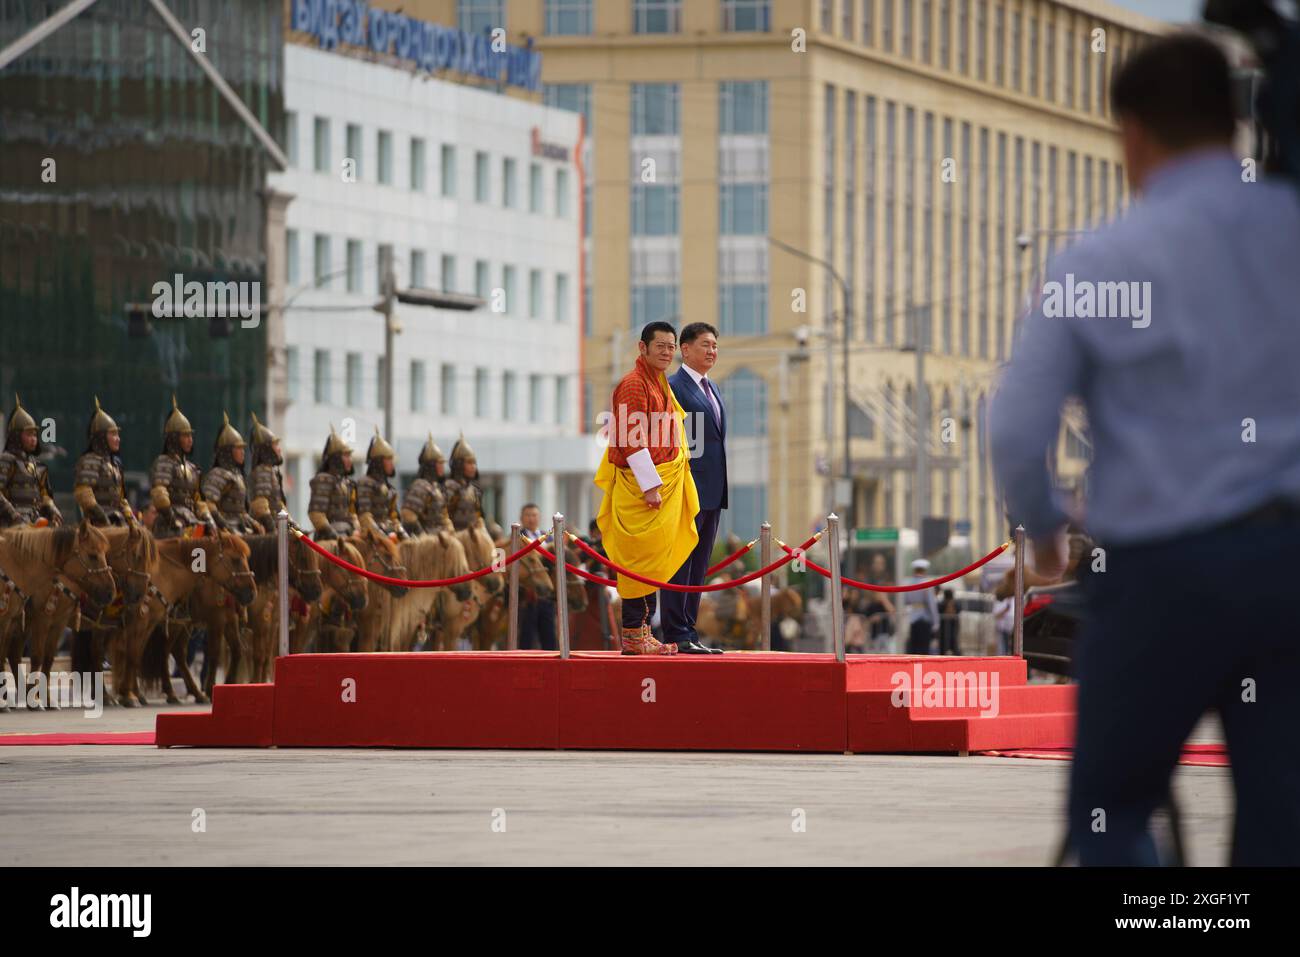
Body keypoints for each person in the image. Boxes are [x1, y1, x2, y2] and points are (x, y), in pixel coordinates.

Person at [990, 34, 1300, 865]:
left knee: (1116, 808)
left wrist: (1048, 534)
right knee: (1282, 810)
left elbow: (1017, 424)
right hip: (1288, 567)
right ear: (1235, 119)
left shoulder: (1102, 258)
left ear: (1130, 131)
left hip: (1160, 572)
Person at [594, 321, 700, 655]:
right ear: (643, 348)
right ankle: (633, 636)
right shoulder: (632, 384)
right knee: (638, 561)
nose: (667, 352)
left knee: (652, 562)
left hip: (662, 482)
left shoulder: (660, 383)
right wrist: (651, 486)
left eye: (671, 347)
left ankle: (644, 633)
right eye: (661, 346)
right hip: (642, 490)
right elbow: (630, 439)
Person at [658, 322, 727, 654]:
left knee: (699, 565)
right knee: (680, 562)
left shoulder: (712, 388)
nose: (712, 351)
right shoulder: (673, 388)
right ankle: (675, 632)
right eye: (705, 345)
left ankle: (689, 630)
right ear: (684, 349)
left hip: (712, 491)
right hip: (685, 491)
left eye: (715, 346)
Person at [148, 395, 212, 537]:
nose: (190, 440)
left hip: (192, 521)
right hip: (169, 525)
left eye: (191, 435)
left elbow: (198, 499)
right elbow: (159, 495)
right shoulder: (164, 462)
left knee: (203, 554)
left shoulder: (192, 468)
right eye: (185, 436)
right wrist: (171, 519)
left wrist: (208, 519)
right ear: (175, 439)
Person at [0, 394, 62, 527]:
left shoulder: (36, 465)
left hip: (36, 520)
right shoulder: (7, 460)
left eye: (35, 434)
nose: (34, 439)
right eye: (29, 434)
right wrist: (14, 516)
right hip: (11, 526)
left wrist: (52, 508)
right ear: (16, 436)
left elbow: (44, 495)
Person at [73, 396, 132, 526]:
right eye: (113, 434)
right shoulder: (90, 460)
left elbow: (121, 498)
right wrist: (102, 517)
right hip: (97, 523)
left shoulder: (115, 463)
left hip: (117, 520)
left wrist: (130, 517)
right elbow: (84, 494)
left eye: (118, 434)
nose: (118, 439)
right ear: (101, 437)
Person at [202, 413, 261, 535]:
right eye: (238, 448)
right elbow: (209, 504)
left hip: (240, 526)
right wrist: (222, 523)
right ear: (228, 451)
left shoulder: (238, 476)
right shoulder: (218, 473)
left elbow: (241, 512)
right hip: (224, 529)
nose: (243, 452)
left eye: (243, 448)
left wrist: (254, 523)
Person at [308, 424, 359, 540]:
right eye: (346, 455)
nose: (349, 460)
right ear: (336, 458)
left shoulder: (348, 483)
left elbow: (352, 512)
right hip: (328, 537)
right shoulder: (323, 479)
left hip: (349, 534)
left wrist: (356, 529)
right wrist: (332, 534)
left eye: (349, 455)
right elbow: (316, 514)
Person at [356, 427, 407, 539]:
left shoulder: (389, 488)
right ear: (379, 462)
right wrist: (380, 534)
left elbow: (393, 516)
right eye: (388, 459)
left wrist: (401, 531)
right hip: (370, 536)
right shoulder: (365, 483)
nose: (392, 463)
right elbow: (364, 516)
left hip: (389, 533)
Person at [516, 503, 555, 651]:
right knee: (526, 637)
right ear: (521, 518)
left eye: (534, 515)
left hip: (547, 596)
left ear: (539, 518)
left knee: (549, 637)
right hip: (526, 597)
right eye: (528, 515)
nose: (531, 519)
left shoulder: (549, 539)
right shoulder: (516, 538)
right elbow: (500, 564)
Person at [400, 433, 452, 536]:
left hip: (442, 537)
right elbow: (408, 515)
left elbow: (444, 517)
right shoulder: (420, 486)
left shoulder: (436, 487)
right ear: (431, 466)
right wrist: (423, 536)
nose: (443, 466)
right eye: (439, 463)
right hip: (427, 541)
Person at [248, 413, 289, 532]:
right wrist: (272, 528)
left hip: (277, 523)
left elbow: (278, 504)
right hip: (266, 528)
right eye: (275, 444)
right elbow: (260, 504)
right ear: (267, 448)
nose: (279, 448)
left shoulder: (271, 470)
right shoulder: (263, 470)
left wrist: (291, 524)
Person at [901, 558, 938, 655]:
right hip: (924, 618)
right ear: (924, 570)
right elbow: (931, 604)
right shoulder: (927, 583)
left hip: (913, 617)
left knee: (914, 649)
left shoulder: (909, 583)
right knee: (924, 649)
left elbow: (906, 601)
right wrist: (936, 622)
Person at [938, 589, 960, 656]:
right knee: (947, 642)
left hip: (952, 625)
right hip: (945, 626)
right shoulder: (942, 603)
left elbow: (958, 609)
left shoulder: (955, 603)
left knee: (952, 642)